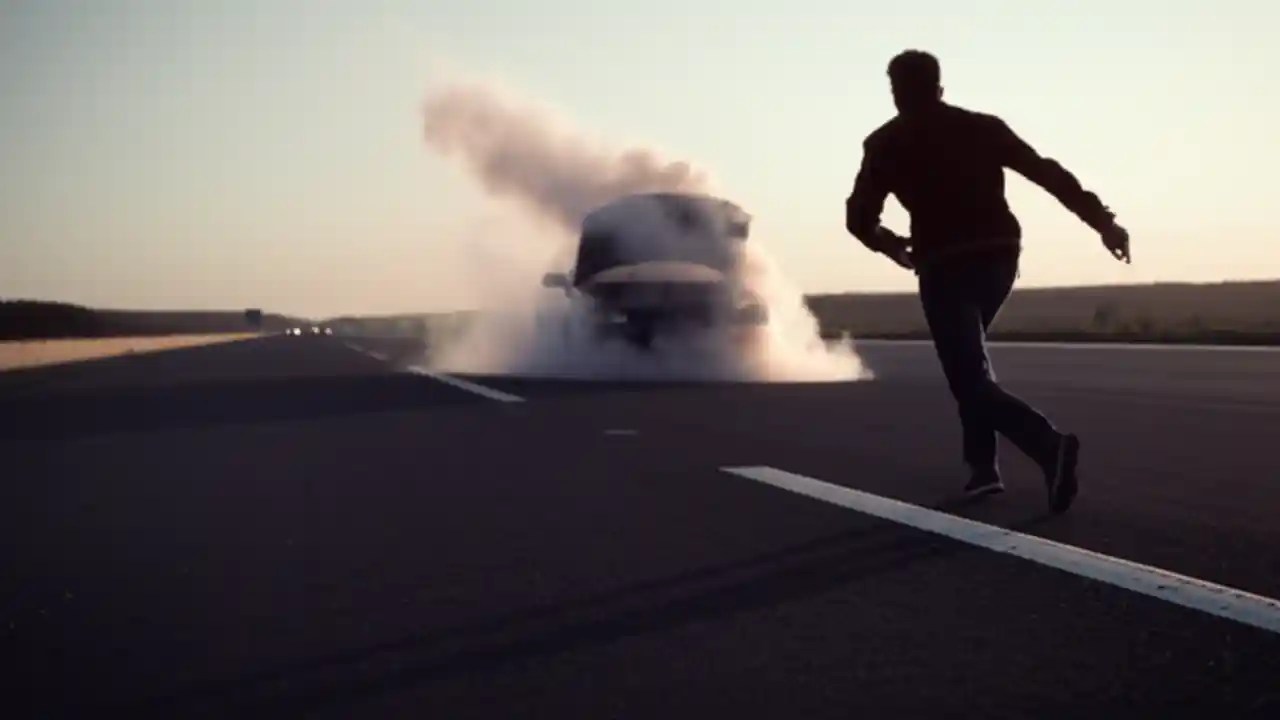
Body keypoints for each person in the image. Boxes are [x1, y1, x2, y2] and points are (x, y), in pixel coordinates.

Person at [845, 49, 1131, 513]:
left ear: (896, 94)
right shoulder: (982, 127)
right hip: (998, 257)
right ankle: (982, 469)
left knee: (967, 373)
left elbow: (859, 218)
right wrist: (1103, 222)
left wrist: (893, 245)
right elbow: (1047, 173)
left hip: (944, 264)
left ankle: (1048, 446)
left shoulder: (884, 143)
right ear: (940, 88)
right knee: (970, 363)